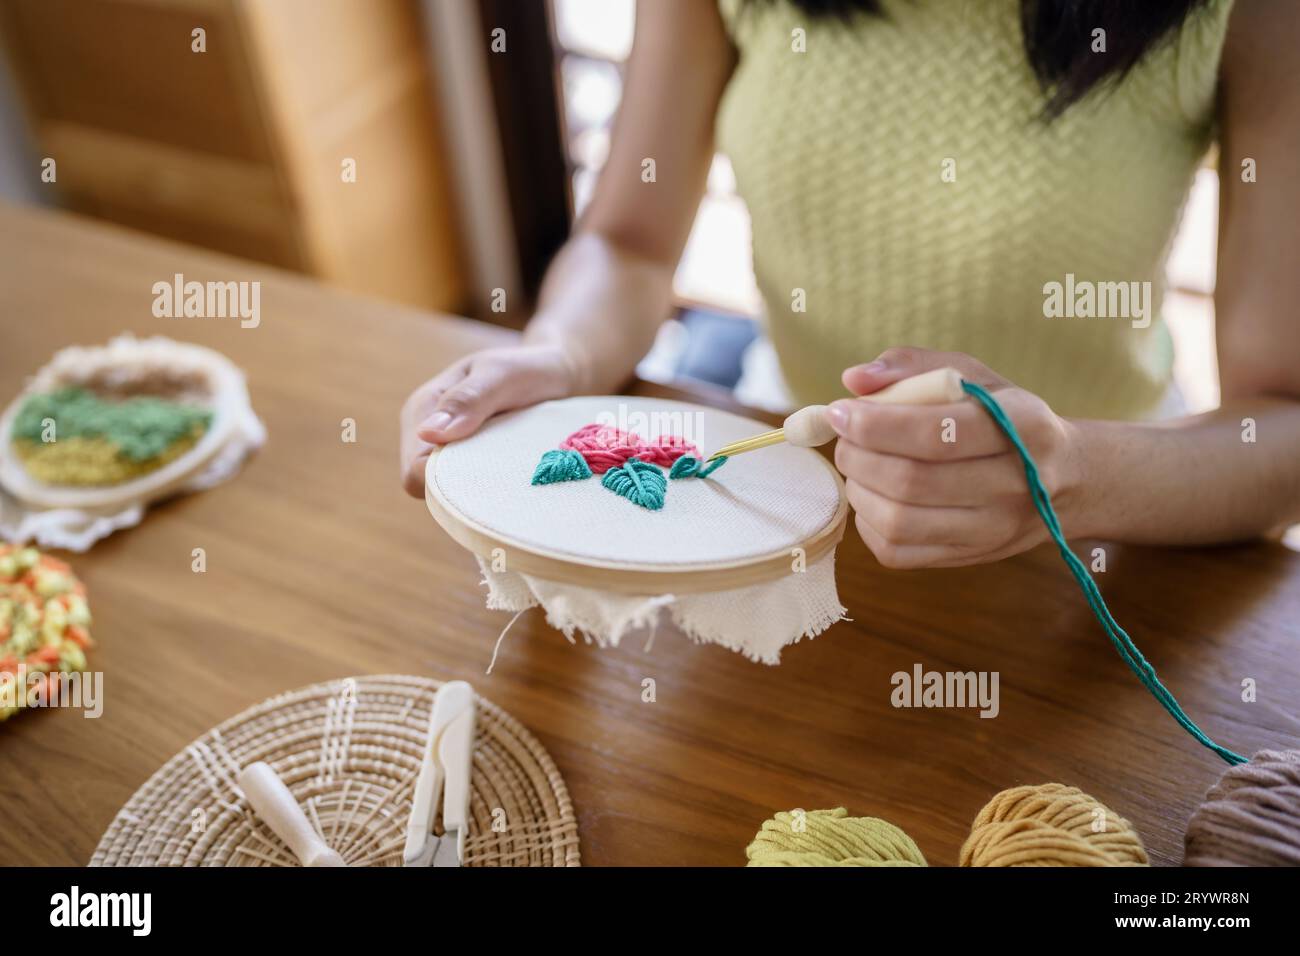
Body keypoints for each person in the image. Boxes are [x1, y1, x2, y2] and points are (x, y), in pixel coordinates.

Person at [401, 0, 1300, 568]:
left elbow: (1280, 425)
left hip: (1112, 530)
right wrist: (559, 355)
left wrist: (1070, 473)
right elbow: (629, 244)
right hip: (781, 488)